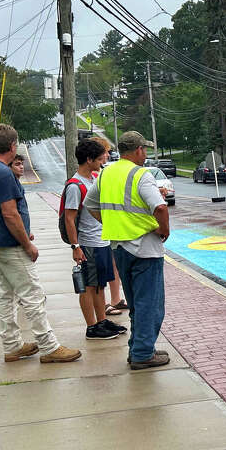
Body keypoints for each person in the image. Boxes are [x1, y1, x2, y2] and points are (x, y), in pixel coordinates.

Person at [0, 124, 80, 364]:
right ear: (13, 146)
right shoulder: (3, 173)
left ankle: (12, 345)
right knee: (33, 294)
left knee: (7, 294)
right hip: (10, 243)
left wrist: (23, 231)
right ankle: (49, 346)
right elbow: (10, 213)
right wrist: (26, 243)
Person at [84, 131, 170, 370]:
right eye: (145, 150)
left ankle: (138, 348)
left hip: (119, 247)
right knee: (150, 304)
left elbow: (89, 204)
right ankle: (143, 353)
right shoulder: (140, 174)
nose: (146, 154)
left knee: (135, 303)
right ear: (138, 150)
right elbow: (160, 208)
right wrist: (164, 230)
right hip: (145, 247)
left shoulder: (106, 173)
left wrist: (112, 223)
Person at [64, 138, 127, 341]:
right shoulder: (75, 186)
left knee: (100, 285)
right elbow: (69, 218)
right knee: (88, 287)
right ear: (89, 159)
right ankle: (91, 327)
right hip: (88, 244)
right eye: (100, 158)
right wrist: (75, 246)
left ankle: (101, 321)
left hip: (101, 241)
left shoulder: (92, 179)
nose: (104, 160)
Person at [88, 135, 126, 318]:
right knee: (100, 273)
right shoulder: (96, 175)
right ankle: (104, 305)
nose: (108, 156)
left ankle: (116, 298)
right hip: (96, 232)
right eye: (105, 153)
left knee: (113, 266)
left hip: (106, 230)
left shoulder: (101, 172)